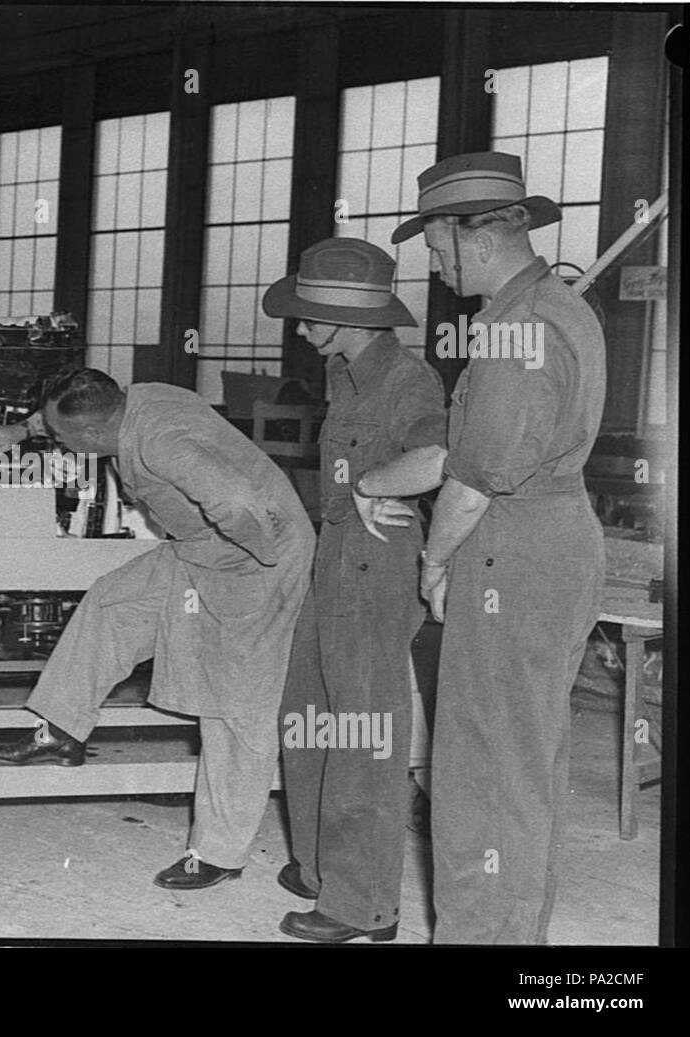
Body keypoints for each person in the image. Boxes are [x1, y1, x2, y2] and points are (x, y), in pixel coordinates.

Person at [357, 152, 606, 943]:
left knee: (481, 769)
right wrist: (371, 484)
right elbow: (456, 452)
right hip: (548, 542)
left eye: (435, 247)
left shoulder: (518, 330)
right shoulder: (547, 310)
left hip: (512, 552)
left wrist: (435, 561)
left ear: (476, 237)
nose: (433, 264)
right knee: (522, 760)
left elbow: (474, 478)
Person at [0, 371, 315, 889]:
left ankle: (220, 853)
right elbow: (63, 414)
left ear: (92, 435)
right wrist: (23, 432)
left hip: (258, 558)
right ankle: (61, 730)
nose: (58, 442)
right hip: (200, 546)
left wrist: (261, 566)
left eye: (63, 439)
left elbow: (241, 505)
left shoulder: (162, 443)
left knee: (234, 707)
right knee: (112, 602)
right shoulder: (134, 401)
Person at [261, 238, 446, 943]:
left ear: (349, 316)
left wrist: (372, 484)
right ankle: (318, 864)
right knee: (306, 705)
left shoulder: (408, 378)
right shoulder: (345, 371)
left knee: (364, 727)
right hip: (335, 552)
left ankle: (363, 903)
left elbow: (438, 454)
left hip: (377, 564)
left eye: (310, 316)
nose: (301, 329)